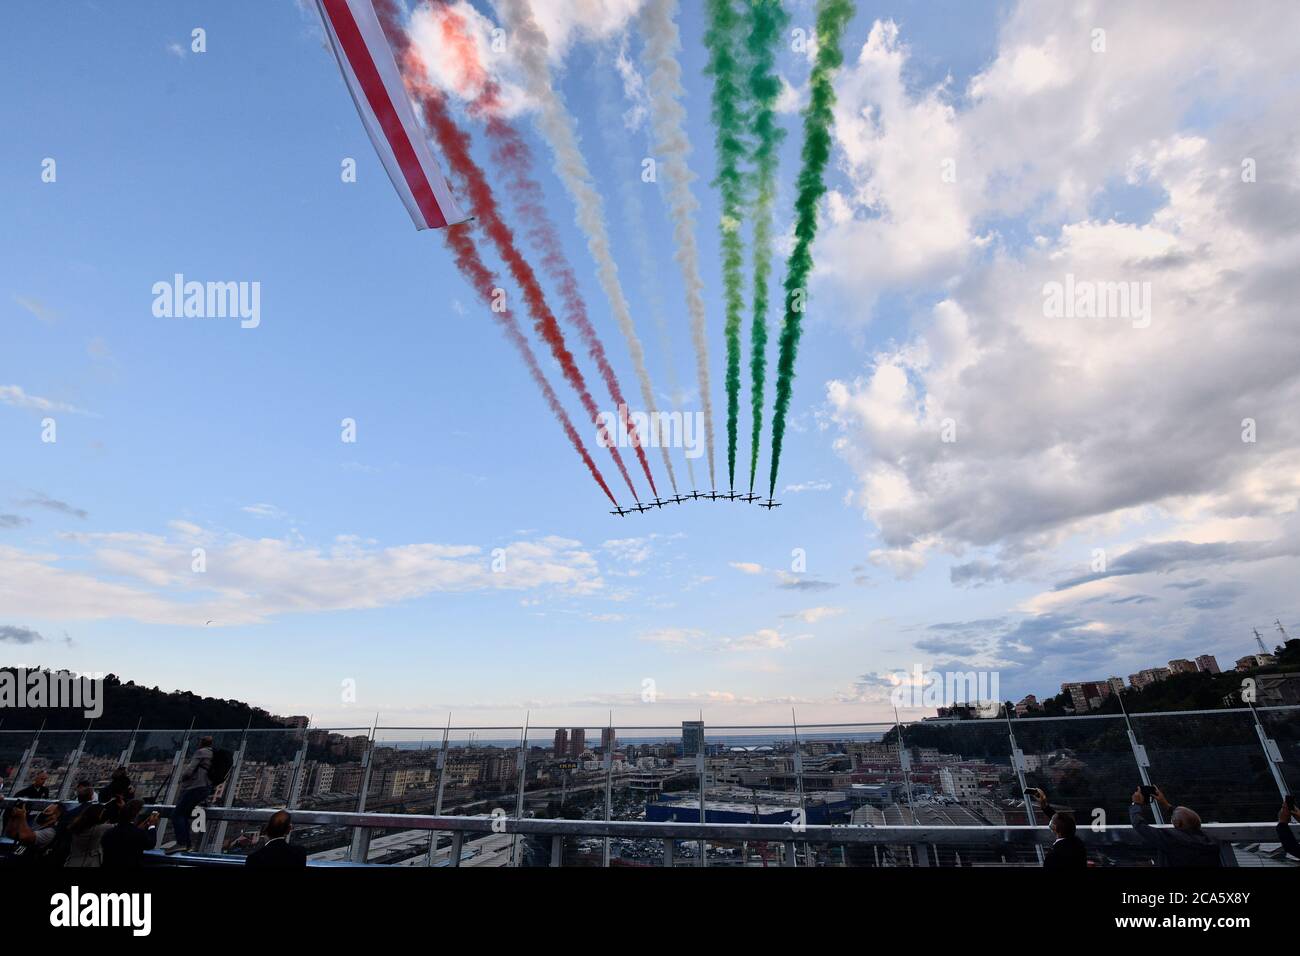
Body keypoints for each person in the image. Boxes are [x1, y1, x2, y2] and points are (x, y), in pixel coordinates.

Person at [1129, 786, 1223, 867]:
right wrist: (1165, 804)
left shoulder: (1173, 839)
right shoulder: (1211, 840)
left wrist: (1136, 804)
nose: (1172, 821)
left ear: (1178, 824)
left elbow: (1140, 826)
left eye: (1173, 820)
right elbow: (1187, 818)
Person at [163, 736, 213, 853]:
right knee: (184, 814)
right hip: (206, 788)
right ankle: (187, 844)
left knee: (177, 814)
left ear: (201, 743)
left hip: (196, 786)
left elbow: (189, 770)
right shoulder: (213, 754)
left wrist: (182, 778)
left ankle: (182, 843)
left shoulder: (201, 752)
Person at [1027, 789, 1087, 869]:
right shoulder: (1078, 844)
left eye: (1052, 820)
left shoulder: (1054, 854)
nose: (1051, 820)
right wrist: (1044, 805)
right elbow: (1060, 820)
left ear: (1054, 828)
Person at [101, 800, 160, 868]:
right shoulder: (138, 834)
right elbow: (150, 844)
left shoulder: (109, 832)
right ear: (136, 815)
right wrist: (152, 825)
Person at [64, 803, 114, 867]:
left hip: (72, 861)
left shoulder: (77, 825)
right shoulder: (98, 829)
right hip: (87, 863)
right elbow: (122, 825)